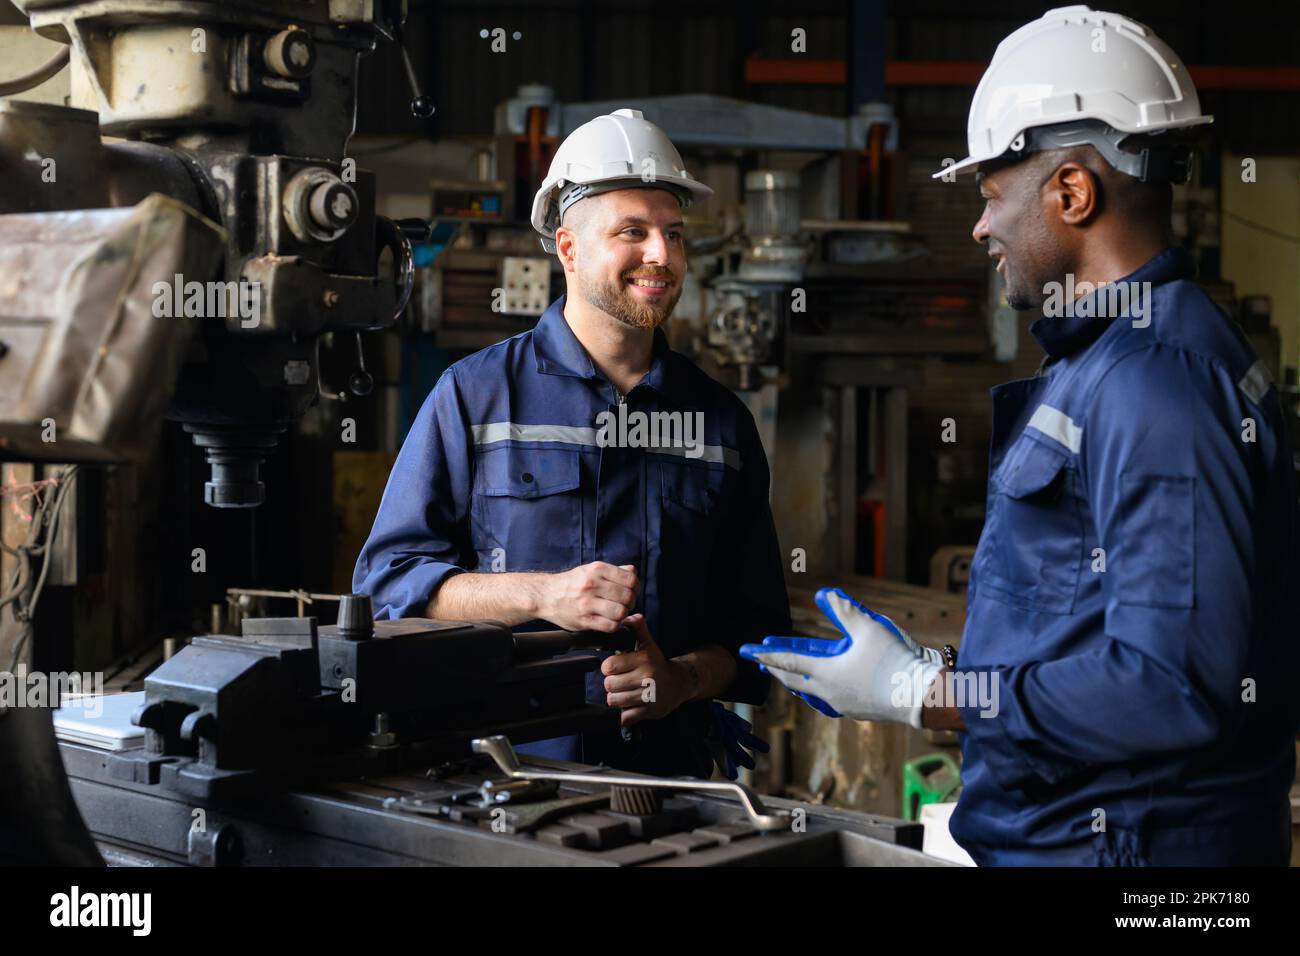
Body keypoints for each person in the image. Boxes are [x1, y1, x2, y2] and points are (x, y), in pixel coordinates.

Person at [743, 6, 1299, 865]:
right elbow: (1086, 626)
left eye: (995, 195)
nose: (980, 227)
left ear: (1073, 192)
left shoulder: (1156, 381)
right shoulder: (1114, 359)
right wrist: (938, 668)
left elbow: (1171, 685)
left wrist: (926, 693)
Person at [354, 108, 787, 778]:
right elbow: (390, 587)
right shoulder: (475, 399)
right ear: (568, 247)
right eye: (632, 232)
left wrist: (681, 679)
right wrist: (540, 596)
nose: (662, 256)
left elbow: (754, 637)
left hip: (671, 789)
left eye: (673, 234)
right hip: (501, 780)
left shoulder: (720, 424)